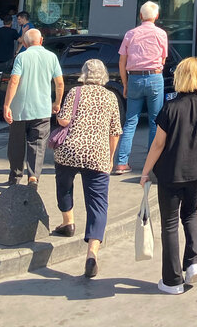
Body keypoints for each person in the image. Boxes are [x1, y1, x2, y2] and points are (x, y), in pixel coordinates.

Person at [139, 57, 197, 295]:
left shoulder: (170, 107)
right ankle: (194, 262)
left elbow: (158, 144)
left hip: (170, 174)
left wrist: (145, 172)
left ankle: (172, 280)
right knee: (190, 215)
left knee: (169, 223)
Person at [52, 58, 122, 279]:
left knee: (64, 185)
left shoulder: (75, 93)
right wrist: (110, 158)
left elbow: (63, 120)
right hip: (98, 154)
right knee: (98, 204)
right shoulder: (111, 97)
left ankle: (68, 222)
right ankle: (92, 253)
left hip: (70, 150)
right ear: (103, 76)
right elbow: (115, 131)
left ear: (83, 74)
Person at [3, 28, 64, 186]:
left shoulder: (22, 57)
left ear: (24, 43)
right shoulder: (51, 57)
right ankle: (33, 177)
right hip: (42, 109)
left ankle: (15, 176)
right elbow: (59, 83)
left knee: (16, 144)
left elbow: (14, 81)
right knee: (37, 144)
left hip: (19, 110)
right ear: (41, 40)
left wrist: (7, 105)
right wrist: (57, 103)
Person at [113, 0, 169, 175]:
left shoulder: (130, 34)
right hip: (154, 76)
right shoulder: (161, 34)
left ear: (140, 16)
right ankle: (152, 163)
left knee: (130, 121)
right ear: (157, 16)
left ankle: (122, 162)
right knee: (155, 121)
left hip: (134, 78)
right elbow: (163, 59)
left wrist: (125, 83)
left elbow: (122, 61)